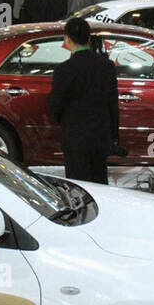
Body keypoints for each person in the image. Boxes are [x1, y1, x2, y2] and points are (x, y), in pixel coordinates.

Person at [48, 17, 119, 184]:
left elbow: (55, 105)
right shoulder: (107, 66)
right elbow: (112, 103)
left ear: (68, 40)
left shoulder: (63, 70)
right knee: (99, 183)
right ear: (88, 38)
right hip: (100, 136)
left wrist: (63, 121)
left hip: (74, 138)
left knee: (78, 186)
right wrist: (113, 134)